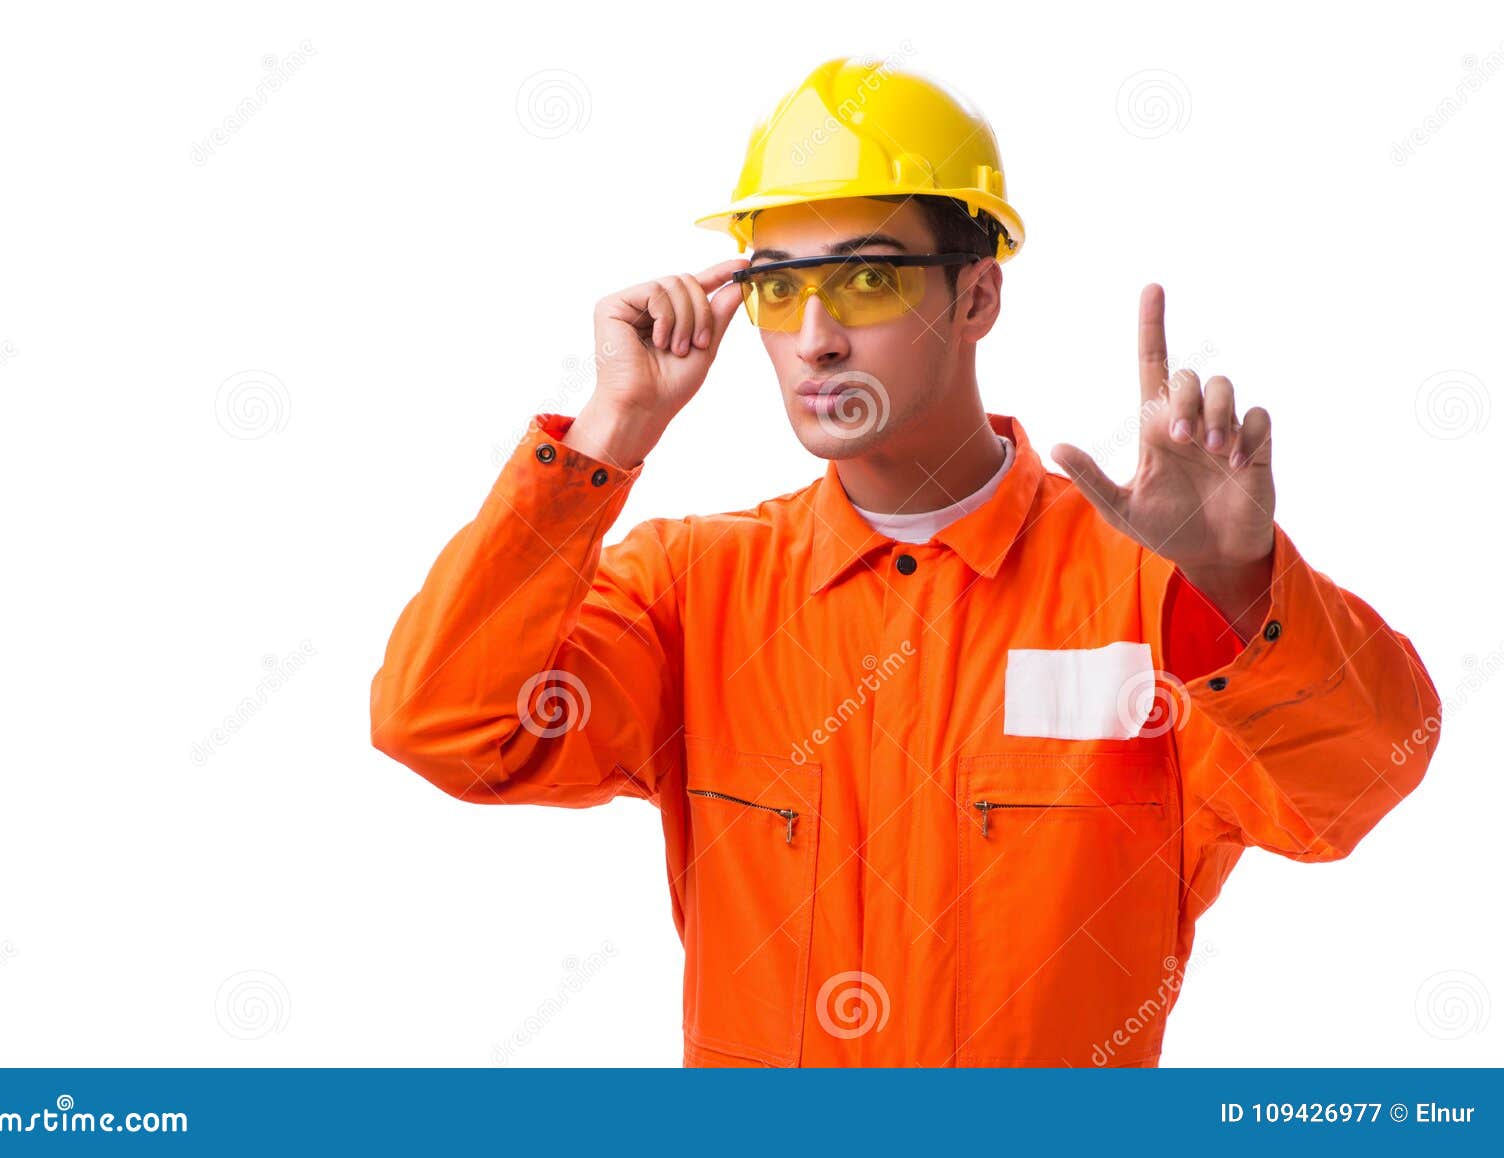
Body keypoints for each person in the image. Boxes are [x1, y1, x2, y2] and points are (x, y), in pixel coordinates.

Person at [369, 56, 1441, 1067]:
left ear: (975, 298)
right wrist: (606, 437)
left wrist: (1241, 587)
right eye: (778, 290)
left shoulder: (1148, 592)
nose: (815, 336)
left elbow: (1355, 787)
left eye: (867, 281)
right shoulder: (691, 589)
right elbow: (447, 728)